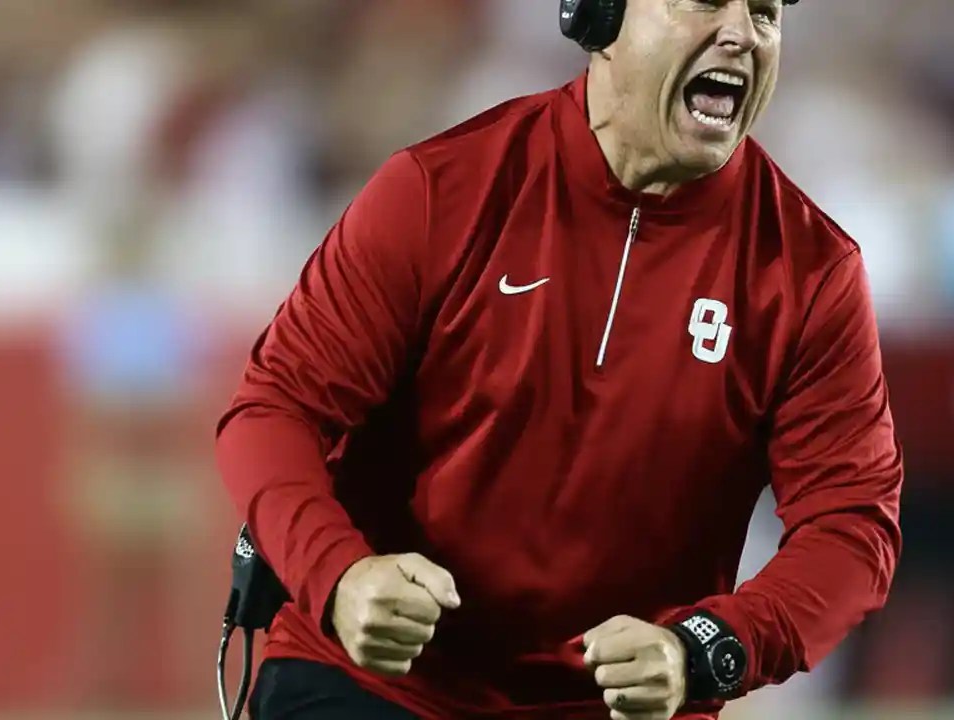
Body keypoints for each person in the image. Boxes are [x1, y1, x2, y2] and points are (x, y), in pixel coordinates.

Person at [215, 1, 904, 718]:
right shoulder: (441, 191)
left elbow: (852, 527)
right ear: (601, 17)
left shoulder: (811, 273)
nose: (740, 33)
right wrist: (341, 576)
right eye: (702, 1)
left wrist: (705, 647)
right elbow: (274, 409)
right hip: (375, 685)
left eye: (764, 13)